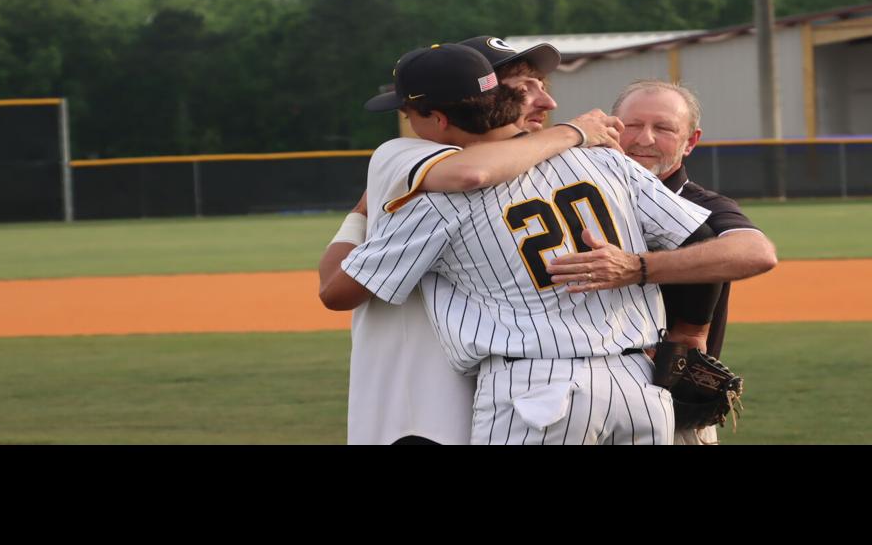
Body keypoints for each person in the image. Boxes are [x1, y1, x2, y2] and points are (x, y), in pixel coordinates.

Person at [320, 43, 776, 445]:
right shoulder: (604, 162)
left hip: (536, 390)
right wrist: (689, 331)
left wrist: (363, 213)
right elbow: (702, 240)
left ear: (434, 118)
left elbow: (338, 292)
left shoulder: (438, 198)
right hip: (641, 387)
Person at [320, 37, 621, 445]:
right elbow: (470, 174)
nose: (542, 101)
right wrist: (575, 132)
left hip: (519, 399)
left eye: (541, 85)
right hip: (414, 402)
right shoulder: (407, 155)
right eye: (521, 86)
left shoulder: (550, 163)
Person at [610, 80, 764, 445]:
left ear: (691, 141)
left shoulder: (707, 207)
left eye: (663, 128)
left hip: (671, 406)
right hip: (582, 399)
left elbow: (755, 253)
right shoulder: (578, 200)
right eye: (632, 125)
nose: (644, 139)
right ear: (612, 129)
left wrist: (639, 267)